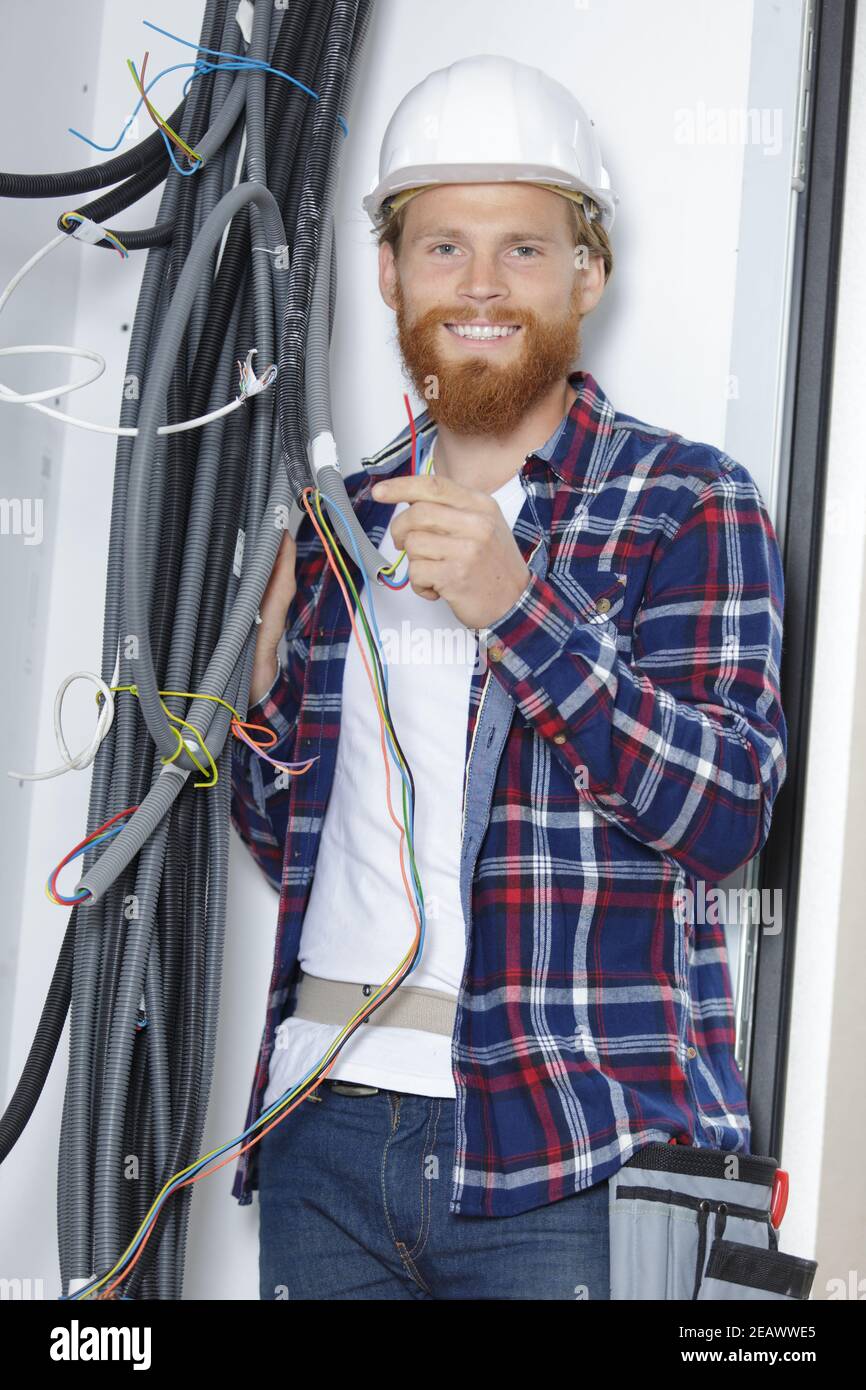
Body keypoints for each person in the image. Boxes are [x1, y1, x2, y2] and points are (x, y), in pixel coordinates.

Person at [230, 54, 787, 1301]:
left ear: (586, 272)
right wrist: (261, 685)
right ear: (388, 272)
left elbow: (727, 813)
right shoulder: (336, 522)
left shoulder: (686, 502)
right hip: (321, 1126)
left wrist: (519, 606)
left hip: (575, 1149)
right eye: (441, 248)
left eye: (523, 250)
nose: (479, 286)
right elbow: (288, 842)